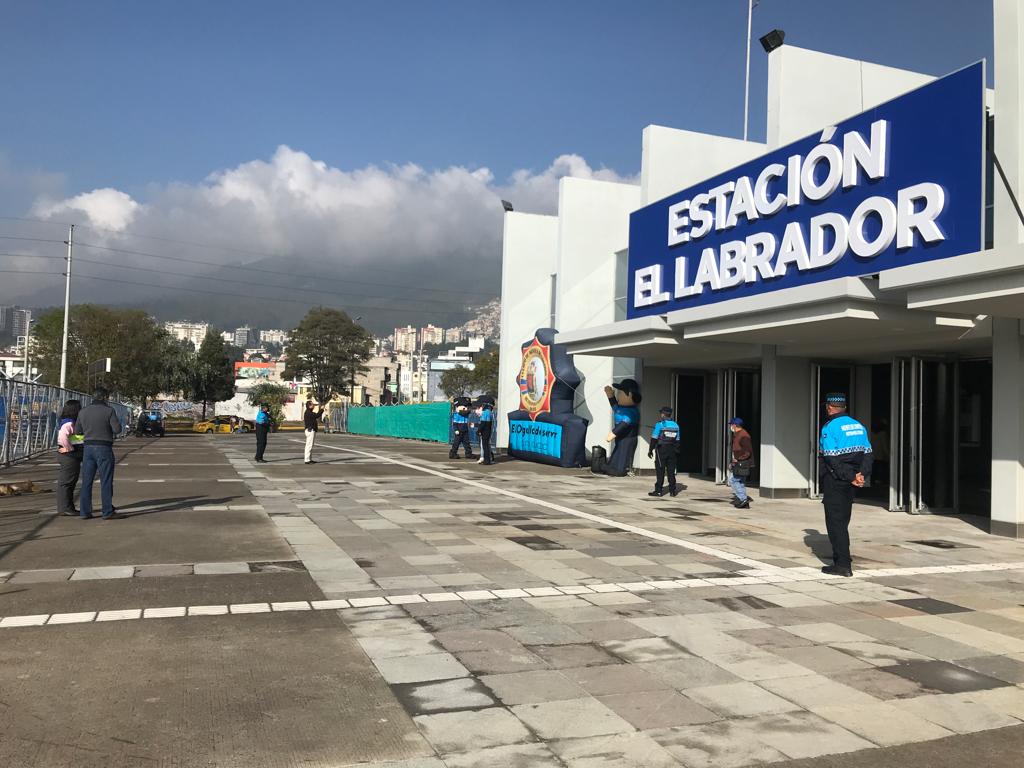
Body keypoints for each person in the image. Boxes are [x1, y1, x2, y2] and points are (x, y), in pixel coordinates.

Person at [818, 393, 872, 577]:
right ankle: (842, 559)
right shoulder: (859, 426)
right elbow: (868, 454)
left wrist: (850, 476)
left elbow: (831, 458)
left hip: (836, 480)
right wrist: (861, 475)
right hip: (852, 481)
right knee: (844, 520)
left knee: (836, 523)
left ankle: (842, 564)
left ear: (829, 408)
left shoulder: (830, 427)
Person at [77, 388, 122, 520]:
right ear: (104, 397)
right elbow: (117, 429)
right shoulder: (109, 411)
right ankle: (107, 511)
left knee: (86, 481)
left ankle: (85, 512)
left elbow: (77, 432)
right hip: (104, 447)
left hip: (88, 448)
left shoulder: (83, 411)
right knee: (106, 480)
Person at [602, 378, 642, 476]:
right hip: (620, 438)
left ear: (631, 395)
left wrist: (613, 433)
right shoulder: (621, 408)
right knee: (616, 452)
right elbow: (614, 406)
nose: (618, 396)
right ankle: (610, 466)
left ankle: (621, 470)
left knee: (623, 455)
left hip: (628, 438)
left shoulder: (631, 412)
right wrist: (610, 395)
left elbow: (624, 424)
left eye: (621, 393)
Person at [55, 399, 83, 517]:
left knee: (69, 481)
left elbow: (73, 438)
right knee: (67, 482)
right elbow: (63, 437)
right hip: (69, 455)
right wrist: (68, 448)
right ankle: (65, 507)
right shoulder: (69, 423)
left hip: (68, 454)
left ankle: (68, 506)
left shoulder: (67, 421)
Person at [648, 406, 682, 497]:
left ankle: (658, 491)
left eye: (661, 413)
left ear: (663, 414)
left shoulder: (659, 424)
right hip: (672, 450)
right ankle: (672, 491)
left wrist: (650, 450)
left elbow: (654, 438)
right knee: (671, 471)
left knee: (660, 470)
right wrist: (676, 452)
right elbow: (678, 440)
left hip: (661, 450)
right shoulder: (676, 425)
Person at [728, 417, 754, 509]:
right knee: (741, 481)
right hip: (740, 462)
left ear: (735, 425)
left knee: (733, 480)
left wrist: (738, 459)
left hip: (742, 462)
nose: (730, 426)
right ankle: (743, 500)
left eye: (731, 424)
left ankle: (743, 498)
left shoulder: (743, 435)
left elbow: (748, 451)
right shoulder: (737, 434)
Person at [475, 396, 495, 465]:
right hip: (488, 430)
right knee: (486, 445)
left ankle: (487, 461)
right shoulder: (490, 412)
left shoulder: (485, 412)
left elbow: (483, 423)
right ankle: (488, 459)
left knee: (485, 446)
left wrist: (478, 431)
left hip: (485, 431)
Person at [303, 400, 324, 464]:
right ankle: (307, 460)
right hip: (310, 430)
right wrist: (321, 409)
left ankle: (309, 459)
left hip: (311, 430)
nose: (314, 406)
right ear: (309, 406)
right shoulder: (308, 412)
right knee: (309, 445)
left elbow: (315, 415)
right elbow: (317, 415)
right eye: (312, 405)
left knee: (310, 445)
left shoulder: (309, 412)